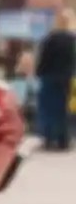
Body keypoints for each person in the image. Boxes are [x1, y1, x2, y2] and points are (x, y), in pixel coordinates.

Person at [35, 9, 76, 150]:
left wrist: (39, 73)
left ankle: (48, 138)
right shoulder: (73, 40)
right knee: (66, 109)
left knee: (48, 109)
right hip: (69, 79)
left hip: (50, 78)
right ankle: (64, 140)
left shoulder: (49, 39)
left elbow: (43, 60)